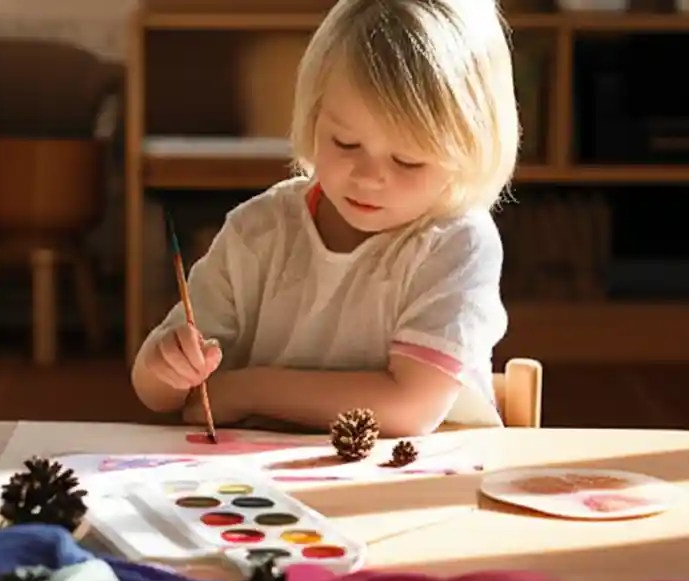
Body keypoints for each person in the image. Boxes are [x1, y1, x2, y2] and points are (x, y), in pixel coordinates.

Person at [130, 0, 519, 436]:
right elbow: (158, 390)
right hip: (265, 482)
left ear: (469, 152)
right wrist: (166, 368)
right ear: (313, 117)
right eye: (346, 143)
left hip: (423, 485)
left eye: (408, 161)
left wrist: (248, 390)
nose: (370, 177)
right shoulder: (258, 231)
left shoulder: (456, 242)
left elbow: (408, 408)